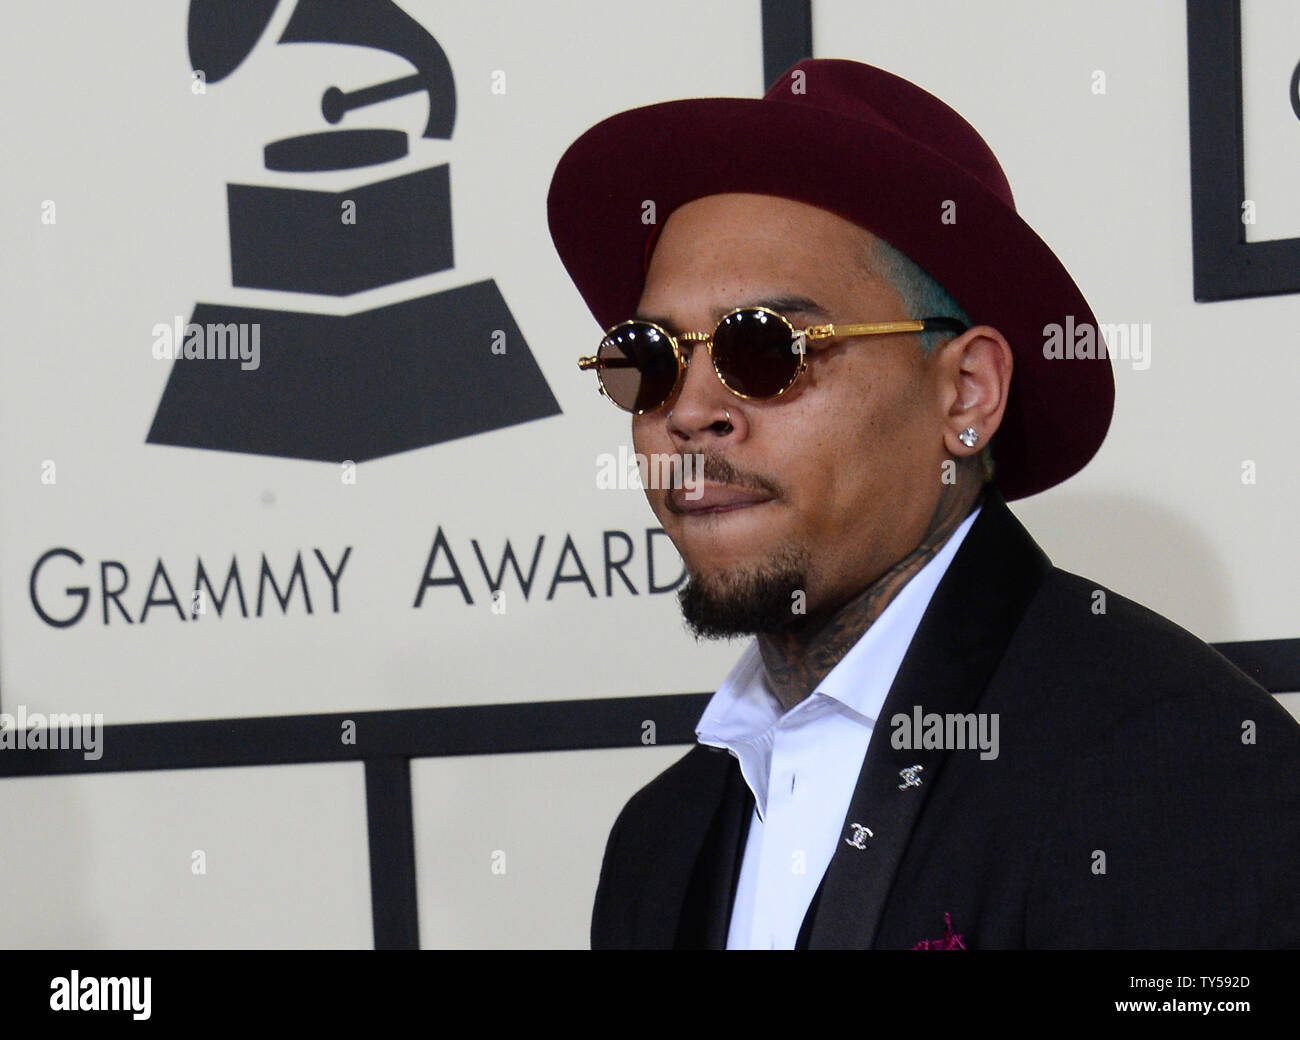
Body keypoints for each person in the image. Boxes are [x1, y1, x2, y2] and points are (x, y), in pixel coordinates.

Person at [547, 58, 1300, 949]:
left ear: (966, 394)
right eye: (653, 356)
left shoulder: (1175, 773)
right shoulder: (659, 841)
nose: (690, 411)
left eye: (766, 349)